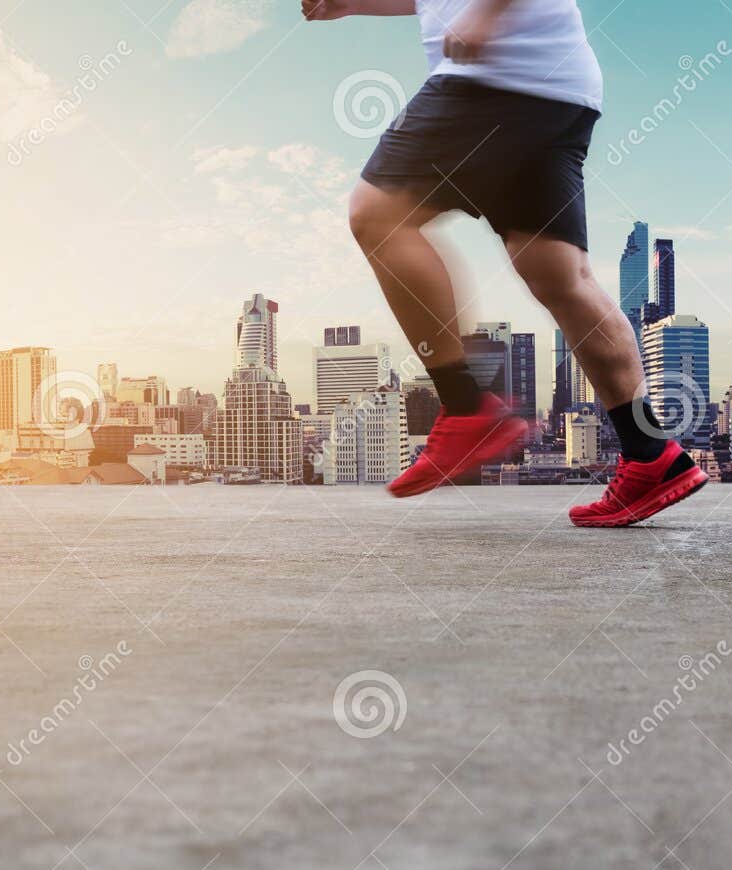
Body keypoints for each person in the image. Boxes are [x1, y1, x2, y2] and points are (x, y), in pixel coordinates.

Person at [302, 0, 707, 527]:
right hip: (559, 90)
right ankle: (652, 453)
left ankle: (466, 405)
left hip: (495, 79)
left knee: (376, 215)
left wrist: (486, 16)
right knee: (561, 276)